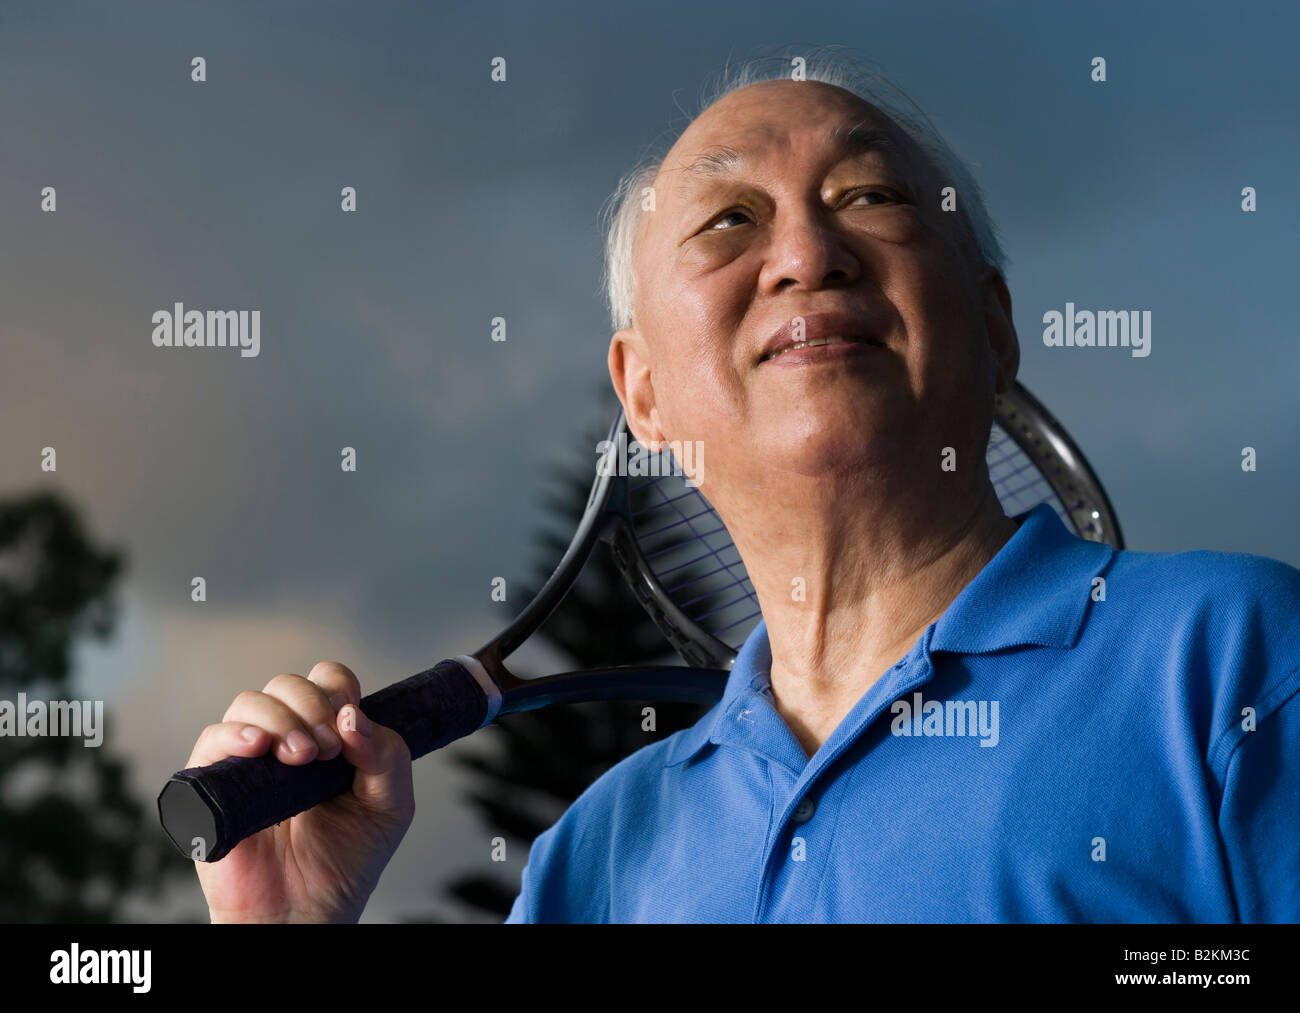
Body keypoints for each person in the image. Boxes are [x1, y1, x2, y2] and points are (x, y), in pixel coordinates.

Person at [188, 53, 1300, 924]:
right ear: (645, 395)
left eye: (869, 195)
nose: (808, 252)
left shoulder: (1231, 658)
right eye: (729, 220)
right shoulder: (596, 853)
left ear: (995, 329)